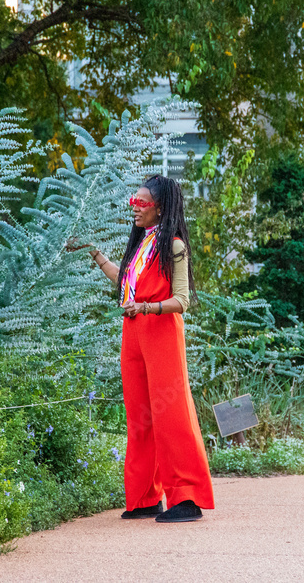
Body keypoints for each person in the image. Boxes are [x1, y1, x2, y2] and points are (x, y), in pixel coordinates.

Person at [83, 174, 215, 523]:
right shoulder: (142, 244)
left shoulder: (173, 246)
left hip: (160, 332)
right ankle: (144, 497)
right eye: (133, 201)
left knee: (170, 414)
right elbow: (126, 281)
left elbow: (182, 300)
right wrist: (94, 253)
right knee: (140, 416)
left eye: (141, 203)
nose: (134, 208)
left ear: (159, 208)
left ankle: (187, 498)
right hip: (134, 333)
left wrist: (148, 308)